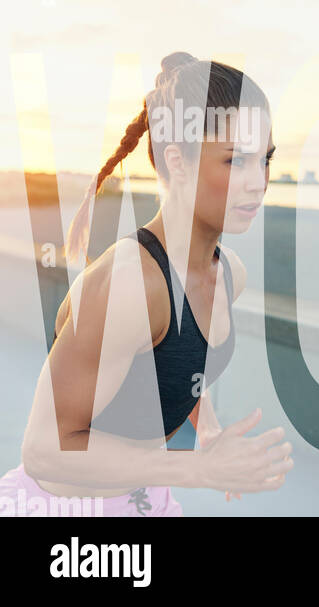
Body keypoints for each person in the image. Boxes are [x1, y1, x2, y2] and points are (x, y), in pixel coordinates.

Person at [1, 52, 293, 516]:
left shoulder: (230, 274)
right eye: (236, 161)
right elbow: (42, 450)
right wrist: (197, 469)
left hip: (145, 500)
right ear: (177, 161)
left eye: (265, 161)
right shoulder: (128, 287)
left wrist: (210, 432)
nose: (259, 184)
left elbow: (178, 368)